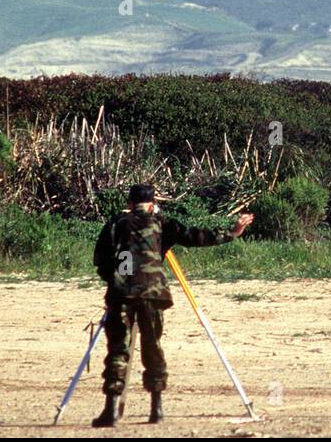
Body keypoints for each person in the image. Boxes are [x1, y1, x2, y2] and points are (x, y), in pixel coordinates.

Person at [91, 183, 253, 427]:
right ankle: (157, 409)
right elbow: (196, 236)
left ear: (129, 203)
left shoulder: (115, 224)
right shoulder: (162, 223)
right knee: (152, 347)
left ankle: (111, 411)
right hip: (152, 294)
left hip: (122, 294)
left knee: (118, 350)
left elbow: (102, 261)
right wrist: (232, 232)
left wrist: (120, 279)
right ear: (153, 202)